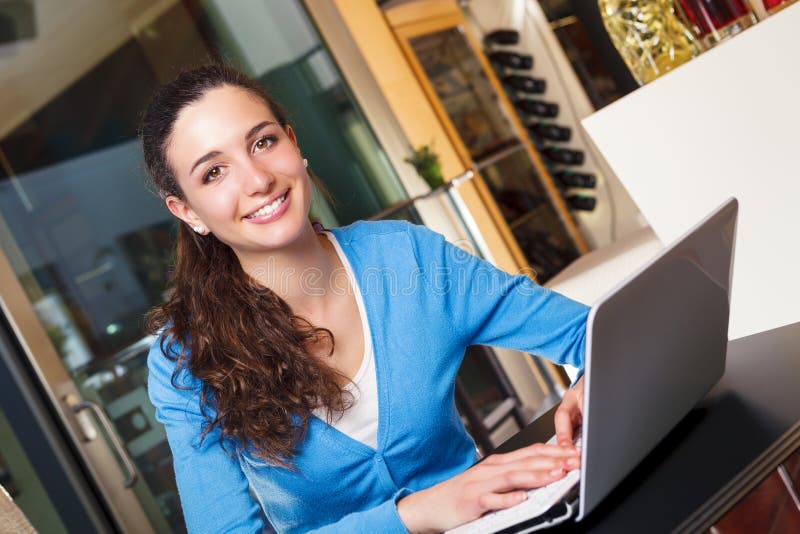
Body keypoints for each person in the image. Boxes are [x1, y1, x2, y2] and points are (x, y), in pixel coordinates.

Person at [142, 64, 587, 534]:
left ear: (293, 142)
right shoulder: (184, 361)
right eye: (214, 172)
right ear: (187, 211)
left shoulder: (406, 257)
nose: (257, 180)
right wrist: (414, 515)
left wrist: (591, 379)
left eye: (263, 142)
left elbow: (588, 333)